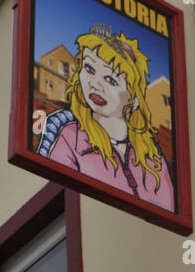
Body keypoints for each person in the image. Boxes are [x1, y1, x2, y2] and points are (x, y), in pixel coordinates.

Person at [35, 23, 174, 212]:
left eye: (110, 80)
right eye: (90, 69)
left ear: (133, 99)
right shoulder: (67, 136)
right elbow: (60, 207)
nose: (95, 85)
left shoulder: (153, 158)